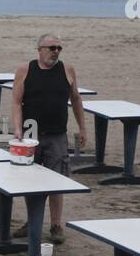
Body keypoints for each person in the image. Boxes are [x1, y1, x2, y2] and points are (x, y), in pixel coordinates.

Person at [11, 34, 88, 243]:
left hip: (57, 135)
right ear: (40, 49)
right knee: (30, 182)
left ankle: (55, 225)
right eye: (51, 47)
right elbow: (17, 102)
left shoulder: (67, 70)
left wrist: (82, 128)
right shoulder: (25, 70)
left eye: (59, 48)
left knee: (57, 181)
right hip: (30, 135)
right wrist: (17, 130)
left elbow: (76, 99)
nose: (55, 52)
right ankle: (32, 220)